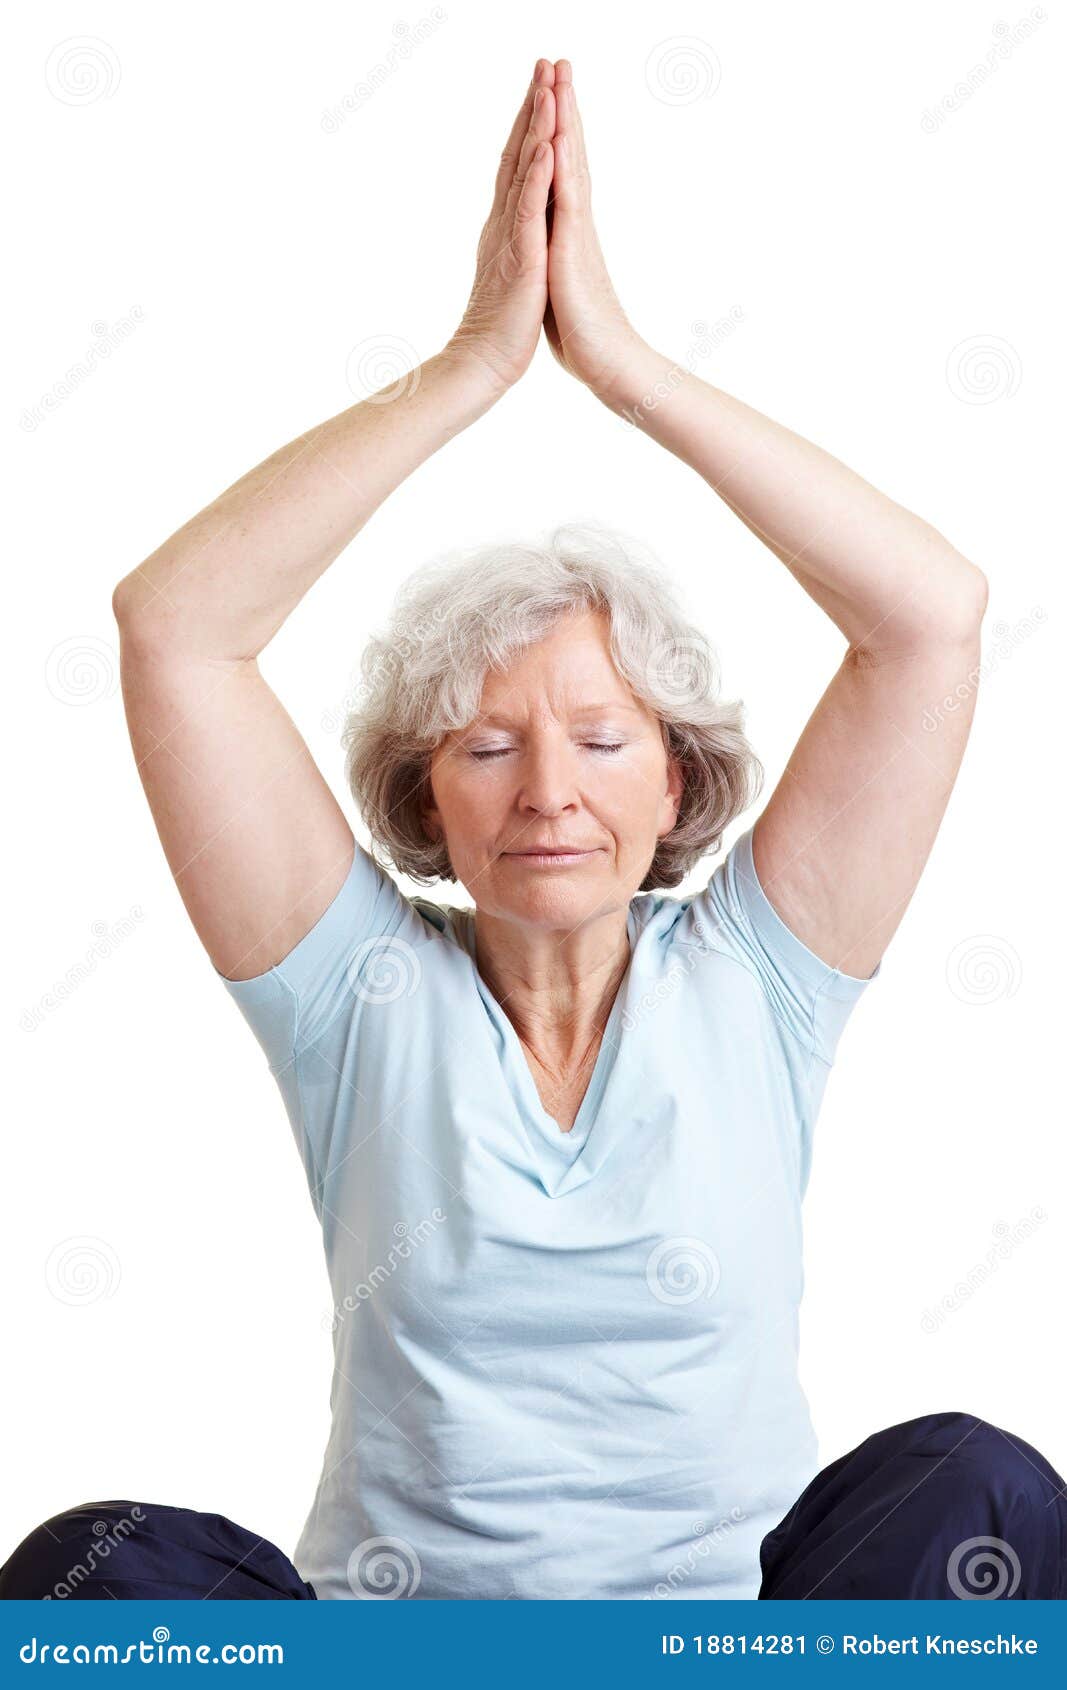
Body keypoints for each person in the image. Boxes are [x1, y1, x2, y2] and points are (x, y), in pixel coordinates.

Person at [6, 57, 1063, 1602]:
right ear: (425, 795)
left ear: (676, 780)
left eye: (601, 738)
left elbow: (932, 620)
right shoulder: (350, 991)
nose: (549, 790)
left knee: (982, 1488)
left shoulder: (761, 978)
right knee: (83, 1580)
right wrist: (470, 367)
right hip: (401, 1642)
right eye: (488, 745)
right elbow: (174, 631)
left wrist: (626, 367)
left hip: (730, 1650)